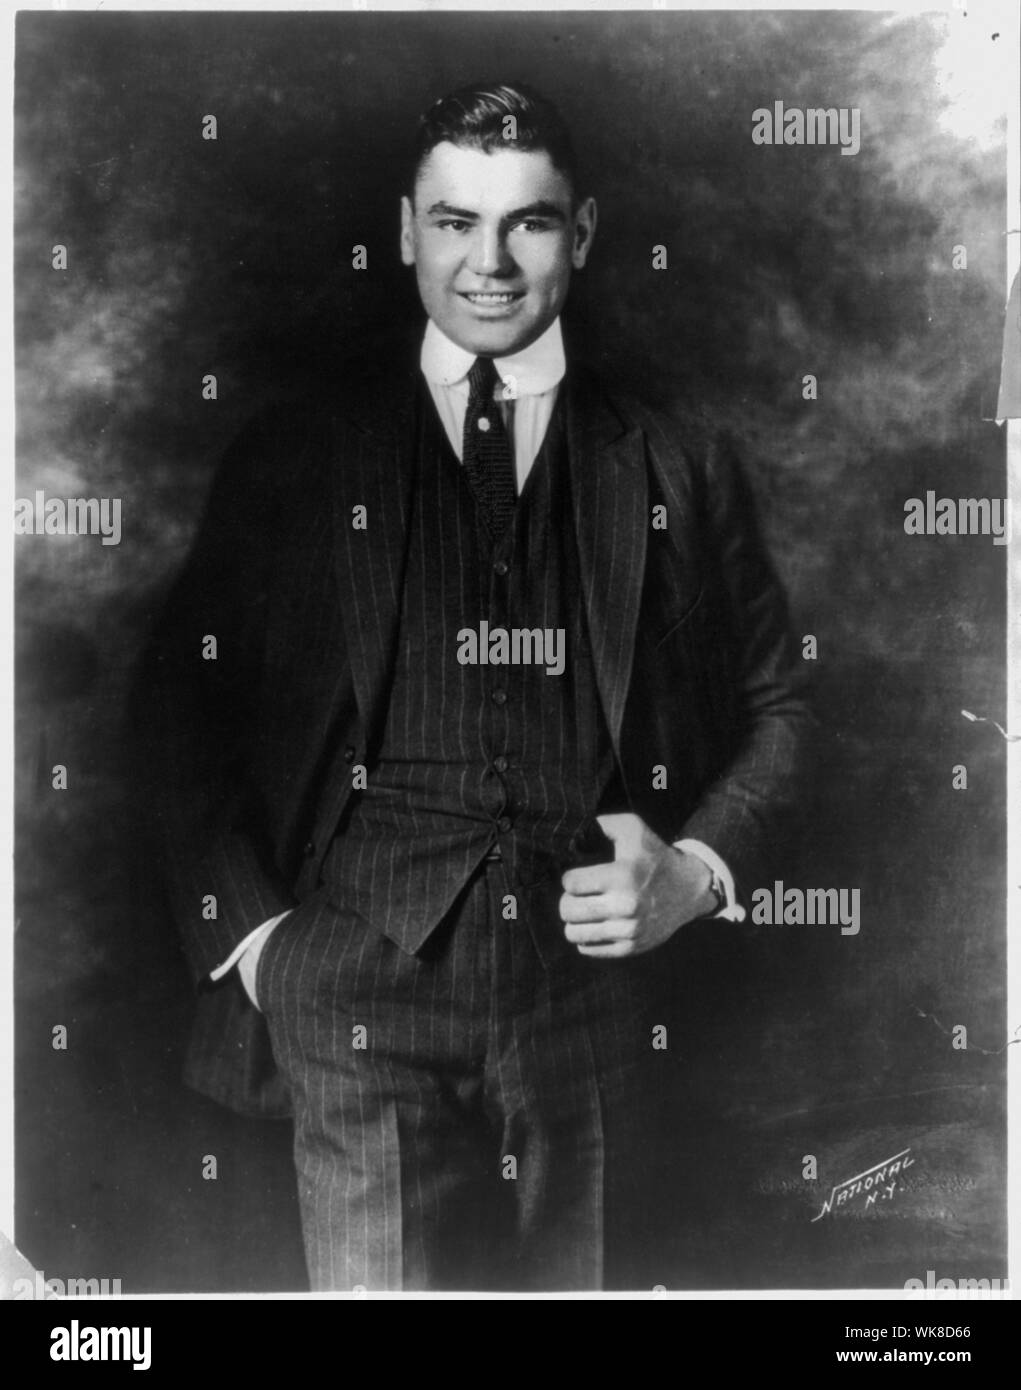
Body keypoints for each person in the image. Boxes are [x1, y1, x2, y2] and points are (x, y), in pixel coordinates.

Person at [137, 80, 813, 1292]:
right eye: (454, 223)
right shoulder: (295, 456)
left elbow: (786, 708)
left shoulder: (679, 460)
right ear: (405, 231)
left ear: (585, 233)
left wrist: (697, 876)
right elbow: (176, 705)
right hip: (348, 994)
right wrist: (254, 941)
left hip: (597, 1000)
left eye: (528, 224)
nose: (488, 262)